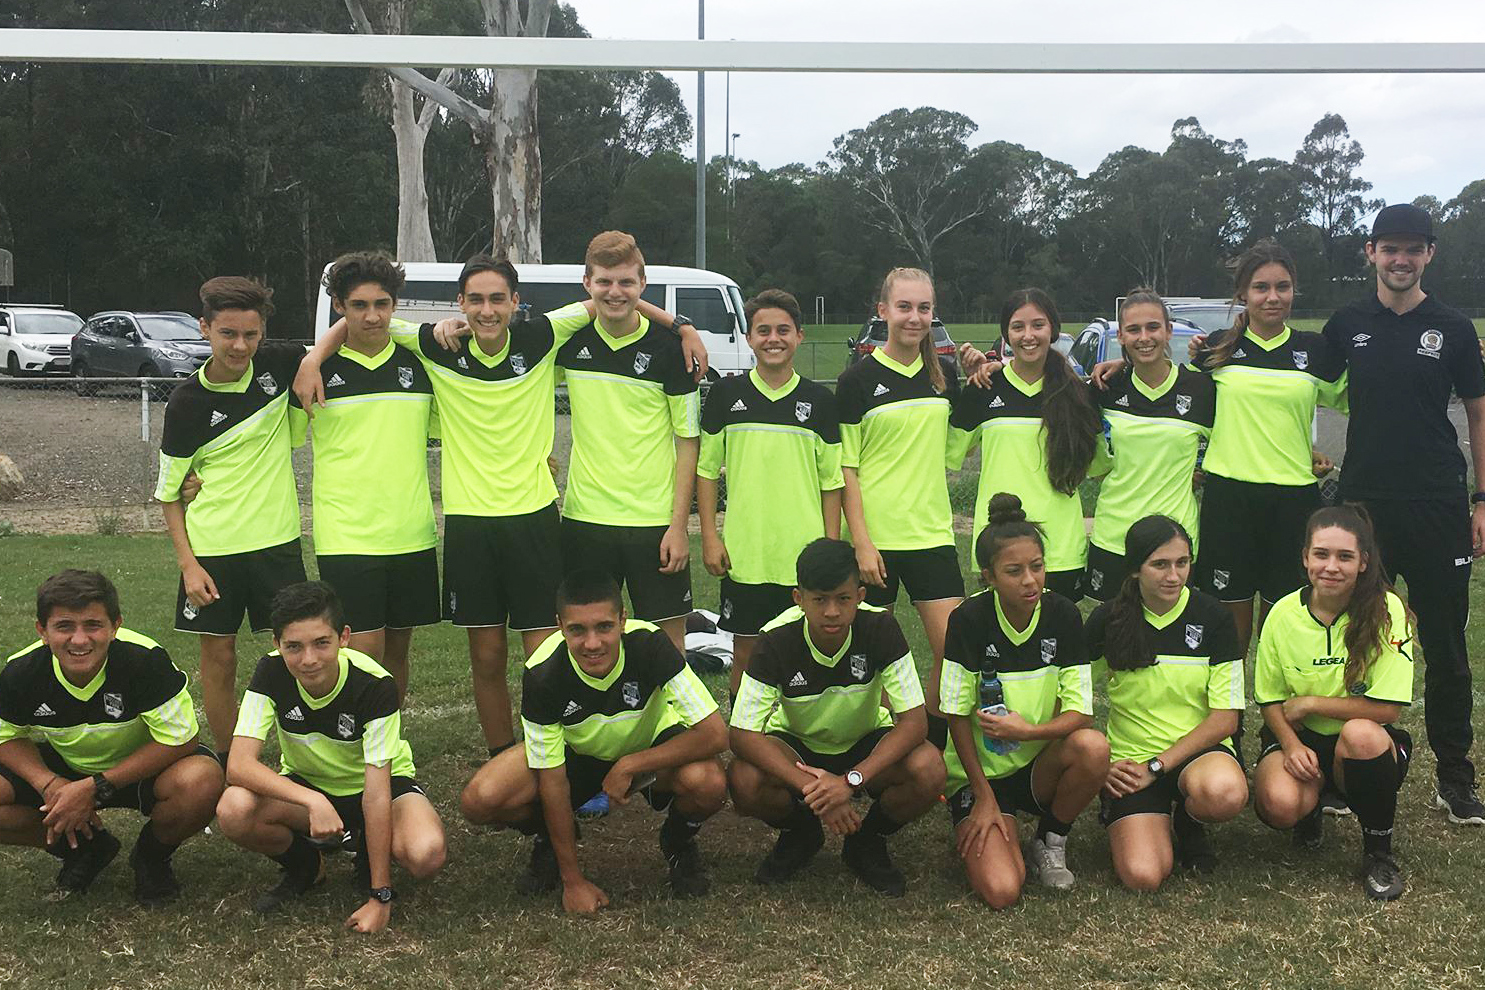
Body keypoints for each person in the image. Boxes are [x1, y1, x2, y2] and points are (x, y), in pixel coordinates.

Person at [295, 252, 705, 757]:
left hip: (534, 521)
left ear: (515, 301)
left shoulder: (543, 336)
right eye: (476, 300)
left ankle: (553, 755)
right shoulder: (435, 345)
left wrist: (682, 326)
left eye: (496, 299)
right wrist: (313, 358)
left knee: (544, 655)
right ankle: (502, 754)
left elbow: (611, 298)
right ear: (460, 304)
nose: (487, 311)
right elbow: (360, 320)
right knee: (487, 656)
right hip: (470, 528)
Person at [1320, 203, 1485, 825]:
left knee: (1444, 643)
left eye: (1413, 249)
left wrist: (1482, 499)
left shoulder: (1454, 328)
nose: (1401, 259)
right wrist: (1215, 350)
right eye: (1390, 248)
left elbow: (1478, 413)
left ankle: (1454, 778)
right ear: (1371, 252)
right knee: (1358, 638)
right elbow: (1293, 378)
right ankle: (1349, 769)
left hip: (1438, 504)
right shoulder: (1346, 323)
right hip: (1365, 506)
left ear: (1429, 255)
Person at [458, 570, 727, 913]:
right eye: (577, 630)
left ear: (623, 620)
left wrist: (630, 765)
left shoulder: (650, 643)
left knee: (708, 782)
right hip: (579, 753)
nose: (592, 643)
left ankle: (678, 840)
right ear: (559, 626)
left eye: (604, 627)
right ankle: (552, 842)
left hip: (650, 748)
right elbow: (552, 780)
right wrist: (573, 882)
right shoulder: (543, 671)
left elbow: (715, 733)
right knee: (481, 799)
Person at [215, 582, 446, 931]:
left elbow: (377, 793)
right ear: (276, 644)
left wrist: (380, 895)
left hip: (380, 787)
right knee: (234, 809)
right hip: (310, 786)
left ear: (344, 637)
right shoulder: (271, 671)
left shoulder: (375, 684)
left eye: (321, 643)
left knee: (426, 853)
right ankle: (307, 866)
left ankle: (367, 849)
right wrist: (313, 800)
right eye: (294, 646)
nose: (308, 659)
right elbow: (238, 766)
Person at [729, 538, 945, 897]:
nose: (832, 612)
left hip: (864, 742)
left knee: (930, 767)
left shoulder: (881, 628)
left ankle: (867, 840)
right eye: (819, 600)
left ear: (860, 596)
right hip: (798, 748)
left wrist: (849, 781)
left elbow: (914, 722)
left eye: (843, 599)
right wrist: (818, 792)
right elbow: (742, 734)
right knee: (744, 778)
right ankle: (801, 832)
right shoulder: (775, 638)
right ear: (799, 599)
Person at [0, 570, 222, 904]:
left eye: (93, 625)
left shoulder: (145, 660)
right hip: (68, 766)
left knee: (202, 781)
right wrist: (51, 784)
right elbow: (6, 736)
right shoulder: (21, 671)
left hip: (141, 766)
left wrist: (94, 786)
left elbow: (181, 739)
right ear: (42, 631)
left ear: (115, 626)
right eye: (64, 626)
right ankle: (85, 848)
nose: (79, 640)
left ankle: (151, 857)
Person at [155, 276, 309, 755]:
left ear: (263, 332)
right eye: (228, 333)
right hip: (213, 552)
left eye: (251, 334)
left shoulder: (280, 363)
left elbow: (344, 331)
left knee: (296, 655)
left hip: (277, 545)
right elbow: (169, 494)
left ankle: (301, 759)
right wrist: (189, 565)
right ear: (204, 328)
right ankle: (229, 760)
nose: (240, 345)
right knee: (219, 658)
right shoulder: (186, 403)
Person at [941, 494, 1107, 908]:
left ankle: (1050, 839)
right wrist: (983, 795)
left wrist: (1028, 731)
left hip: (1038, 768)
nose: (1030, 580)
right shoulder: (967, 620)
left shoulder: (1063, 615)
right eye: (1014, 571)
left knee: (1093, 747)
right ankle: (994, 820)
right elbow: (956, 716)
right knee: (1002, 890)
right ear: (989, 577)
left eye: (1037, 566)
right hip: (981, 774)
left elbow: (1081, 713)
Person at [1187, 242, 1346, 659]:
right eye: (1261, 288)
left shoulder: (1315, 351)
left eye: (1282, 287)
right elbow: (1173, 397)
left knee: (1283, 627)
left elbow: (1362, 397)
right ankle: (1231, 703)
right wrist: (1119, 368)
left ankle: (1276, 704)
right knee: (1229, 628)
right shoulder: (1216, 348)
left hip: (1294, 502)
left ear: (1294, 290)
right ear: (1243, 293)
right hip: (1230, 500)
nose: (1272, 297)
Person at [1252, 505, 1415, 900]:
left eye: (1345, 556)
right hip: (1302, 739)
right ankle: (1308, 811)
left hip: (1359, 746)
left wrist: (1310, 703)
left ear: (1364, 562)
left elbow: (1388, 709)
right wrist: (1291, 745)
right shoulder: (1282, 614)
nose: (1331, 567)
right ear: (1305, 557)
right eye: (1321, 554)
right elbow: (1270, 699)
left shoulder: (1387, 609)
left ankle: (1378, 852)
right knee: (1278, 803)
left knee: (1362, 734)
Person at [557, 231, 704, 655]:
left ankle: (672, 706)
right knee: (588, 641)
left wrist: (679, 526)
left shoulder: (672, 351)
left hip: (654, 523)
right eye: (604, 282)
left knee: (668, 646)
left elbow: (688, 443)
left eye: (626, 282)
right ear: (587, 284)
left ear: (643, 284)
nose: (615, 292)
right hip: (585, 519)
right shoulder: (569, 341)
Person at [836, 267, 963, 743]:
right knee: (873, 658)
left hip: (932, 536)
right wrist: (862, 543)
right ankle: (884, 748)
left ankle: (929, 747)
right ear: (883, 311)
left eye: (924, 308)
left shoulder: (945, 377)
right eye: (904, 307)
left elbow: (960, 439)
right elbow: (847, 469)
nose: (914, 317)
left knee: (954, 654)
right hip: (877, 540)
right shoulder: (856, 381)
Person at [1086, 515, 1247, 891]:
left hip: (1198, 756)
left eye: (1182, 563)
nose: (1174, 576)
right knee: (1144, 876)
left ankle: (1189, 822)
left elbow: (1225, 719)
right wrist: (1098, 765)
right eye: (1160, 564)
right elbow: (1069, 696)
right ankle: (1128, 812)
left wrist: (1158, 766)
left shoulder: (1214, 617)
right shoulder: (1107, 619)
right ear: (1134, 569)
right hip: (1132, 764)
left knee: (1225, 793)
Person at [698, 289, 843, 700]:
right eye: (763, 331)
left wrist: (831, 549)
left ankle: (798, 730)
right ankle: (745, 732)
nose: (773, 339)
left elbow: (832, 482)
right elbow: (706, 472)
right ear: (749, 337)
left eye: (783, 330)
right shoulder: (725, 395)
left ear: (800, 336)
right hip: (747, 554)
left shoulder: (819, 401)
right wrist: (710, 537)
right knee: (747, 653)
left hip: (803, 556)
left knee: (806, 652)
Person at [306, 252, 438, 699]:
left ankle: (388, 733)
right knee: (362, 652)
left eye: (382, 304)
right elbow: (267, 436)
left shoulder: (419, 366)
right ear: (339, 306)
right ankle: (355, 735)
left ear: (394, 305)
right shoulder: (315, 371)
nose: (373, 316)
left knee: (398, 650)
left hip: (411, 532)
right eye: (359, 305)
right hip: (347, 535)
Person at [950, 289, 1106, 603]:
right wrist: (961, 384)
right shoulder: (984, 388)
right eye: (1018, 327)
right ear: (1006, 334)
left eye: (1038, 325)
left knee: (1059, 635)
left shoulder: (1079, 395)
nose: (1028, 335)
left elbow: (1101, 467)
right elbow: (951, 451)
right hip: (998, 546)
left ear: (1053, 329)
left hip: (1060, 550)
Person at [1085, 290, 1215, 602]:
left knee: (1169, 629)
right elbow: (1092, 456)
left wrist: (1199, 470)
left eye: (1153, 327)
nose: (1144, 338)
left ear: (1168, 331)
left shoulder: (1201, 389)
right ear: (1121, 336)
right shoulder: (1105, 387)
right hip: (1115, 537)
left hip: (1175, 542)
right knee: (1114, 629)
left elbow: (1231, 442)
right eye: (1134, 330)